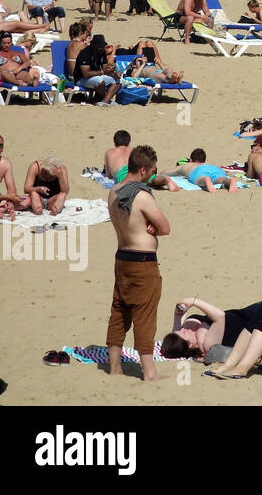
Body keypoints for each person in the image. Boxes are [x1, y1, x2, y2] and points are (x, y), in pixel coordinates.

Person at [107, 145, 170, 382]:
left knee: (119, 312)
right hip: (142, 261)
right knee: (144, 315)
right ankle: (149, 372)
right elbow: (165, 228)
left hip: (122, 256)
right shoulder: (142, 195)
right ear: (143, 169)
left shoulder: (114, 191)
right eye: (152, 171)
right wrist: (153, 227)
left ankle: (114, 368)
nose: (153, 176)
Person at [161, 290, 262, 362]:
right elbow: (220, 316)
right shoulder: (207, 343)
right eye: (183, 333)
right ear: (190, 345)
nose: (182, 328)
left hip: (244, 313)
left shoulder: (178, 336)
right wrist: (195, 302)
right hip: (253, 323)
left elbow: (178, 315)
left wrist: (179, 308)